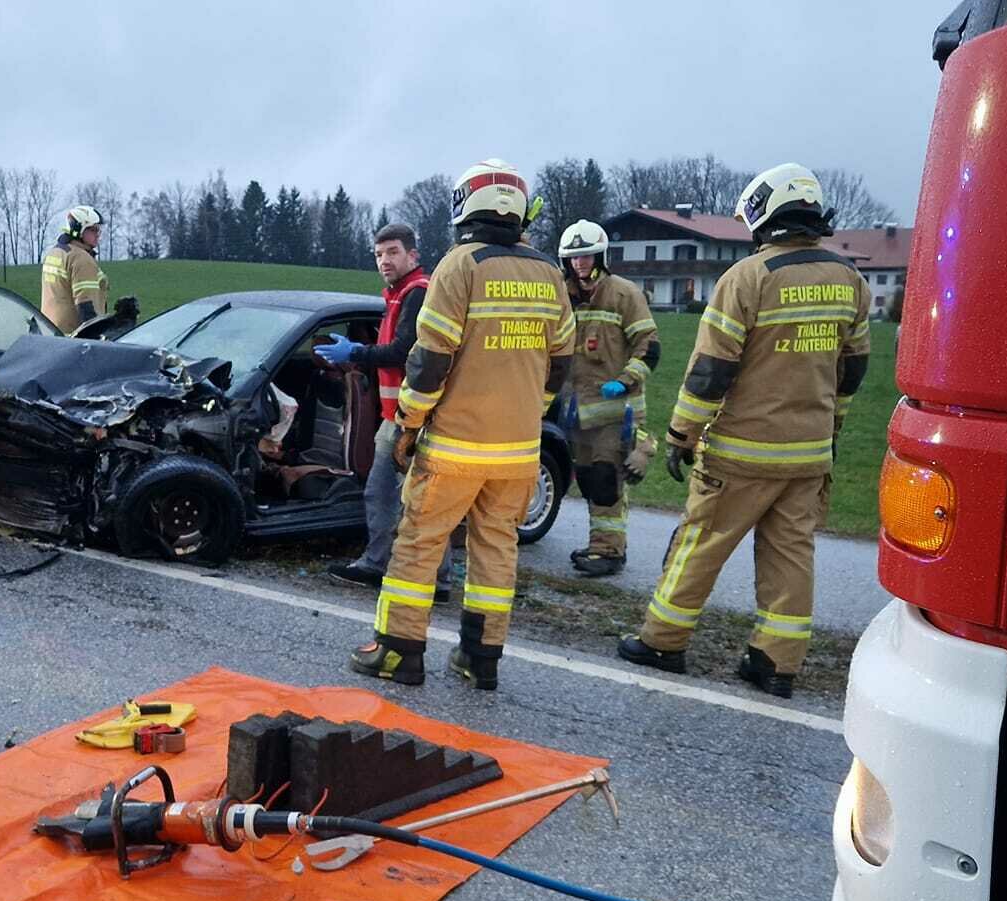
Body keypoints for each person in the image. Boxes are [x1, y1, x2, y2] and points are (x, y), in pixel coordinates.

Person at [618, 163, 872, 699]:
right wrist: (832, 428)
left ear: (765, 216)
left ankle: (663, 639)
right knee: (791, 555)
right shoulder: (850, 280)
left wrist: (682, 433)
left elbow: (712, 369)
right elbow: (853, 368)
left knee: (701, 543)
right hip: (808, 456)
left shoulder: (750, 277)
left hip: (741, 452)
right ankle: (775, 663)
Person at [348, 159, 572, 691]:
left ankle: (399, 652)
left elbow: (429, 361)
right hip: (518, 451)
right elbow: (560, 363)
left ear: (464, 205)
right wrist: (528, 410)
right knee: (496, 550)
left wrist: (407, 423)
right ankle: (481, 659)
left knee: (420, 542)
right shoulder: (548, 272)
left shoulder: (460, 265)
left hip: (454, 446)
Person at [314, 223, 454, 599]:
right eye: (378, 254)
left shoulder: (417, 293)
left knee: (410, 500)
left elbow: (404, 351)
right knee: (397, 496)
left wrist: (356, 353)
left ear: (413, 255)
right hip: (400, 415)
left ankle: (414, 573)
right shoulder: (396, 295)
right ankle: (400, 568)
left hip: (417, 417)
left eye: (392, 252)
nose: (384, 260)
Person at [555, 220, 659, 578]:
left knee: (605, 479)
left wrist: (625, 380)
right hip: (578, 412)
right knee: (586, 478)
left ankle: (609, 551)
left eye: (586, 256)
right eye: (573, 258)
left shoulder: (624, 294)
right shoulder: (563, 296)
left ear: (599, 256)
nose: (580, 264)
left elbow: (649, 349)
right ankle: (600, 544)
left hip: (617, 411)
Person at [40, 205, 108, 334]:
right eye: (93, 229)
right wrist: (94, 338)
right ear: (78, 230)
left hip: (49, 333)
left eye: (99, 229)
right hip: (73, 338)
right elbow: (86, 305)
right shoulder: (81, 259)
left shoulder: (54, 253)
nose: (98, 234)